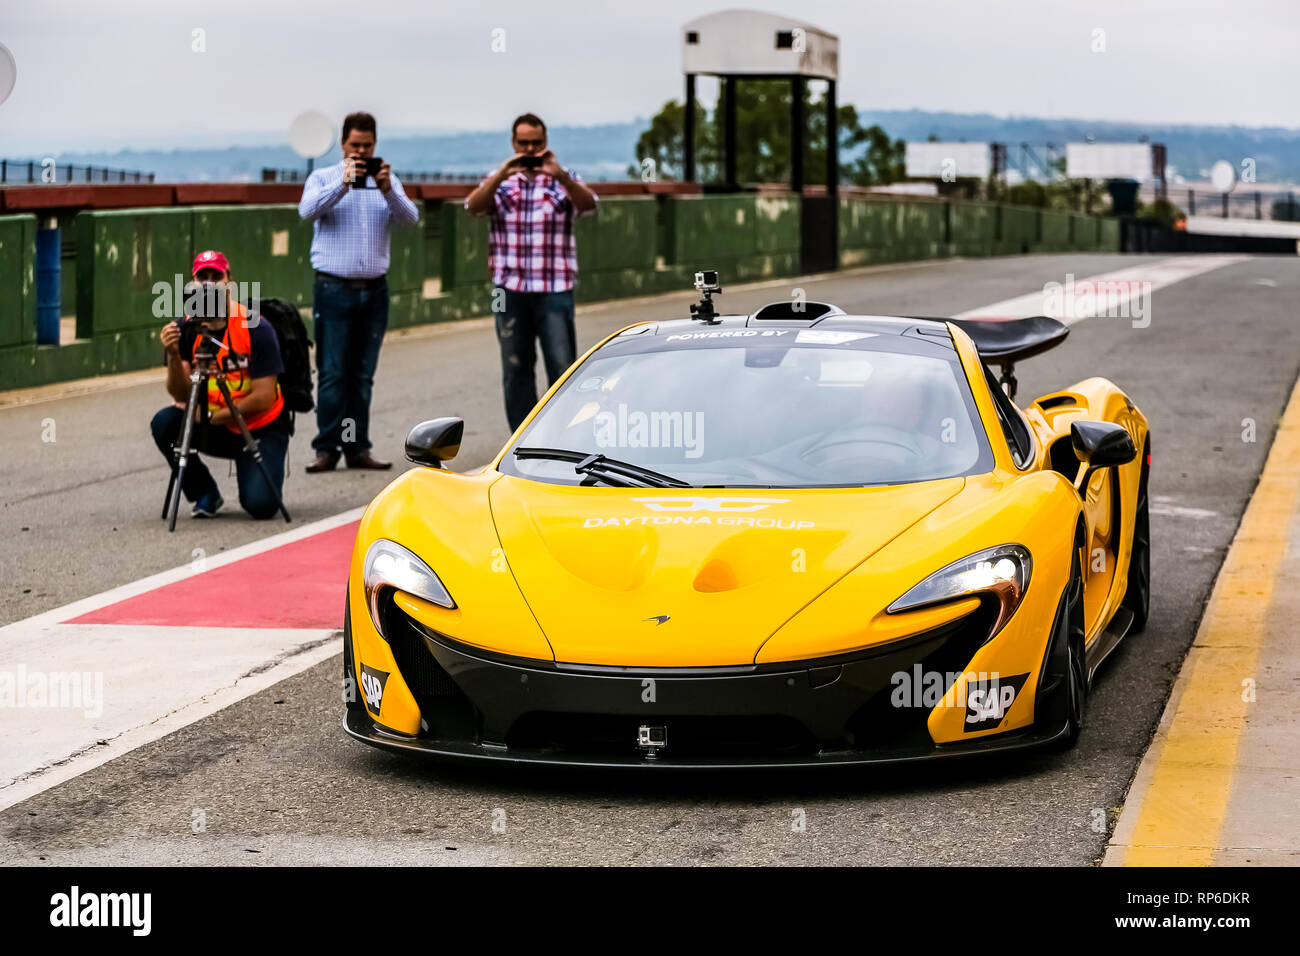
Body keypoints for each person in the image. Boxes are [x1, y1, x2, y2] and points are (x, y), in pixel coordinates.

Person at [298, 111, 419, 472]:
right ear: (343, 145)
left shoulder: (387, 181)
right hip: (333, 289)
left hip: (374, 291)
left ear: (375, 145)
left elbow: (411, 219)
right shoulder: (323, 178)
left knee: (362, 374)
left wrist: (386, 190)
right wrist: (344, 185)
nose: (362, 152)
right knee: (333, 371)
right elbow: (307, 211)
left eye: (367, 146)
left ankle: (356, 446)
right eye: (355, 146)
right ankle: (326, 448)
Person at [465, 112, 598, 432]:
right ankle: (522, 441)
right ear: (513, 143)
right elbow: (472, 207)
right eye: (523, 143)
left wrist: (562, 176)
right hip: (510, 290)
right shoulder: (500, 181)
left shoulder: (565, 178)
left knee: (563, 369)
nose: (529, 150)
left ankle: (563, 439)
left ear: (546, 143)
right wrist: (501, 174)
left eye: (536, 143)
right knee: (515, 369)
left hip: (555, 288)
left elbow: (590, 206)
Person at [151, 250, 291, 520]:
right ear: (192, 283)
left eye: (217, 276)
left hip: (258, 426)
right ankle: (204, 492)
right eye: (202, 277)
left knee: (261, 506)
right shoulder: (186, 328)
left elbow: (263, 397)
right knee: (164, 423)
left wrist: (214, 417)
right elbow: (180, 393)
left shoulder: (255, 327)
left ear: (229, 281)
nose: (209, 283)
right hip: (214, 423)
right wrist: (173, 354)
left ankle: (255, 467)